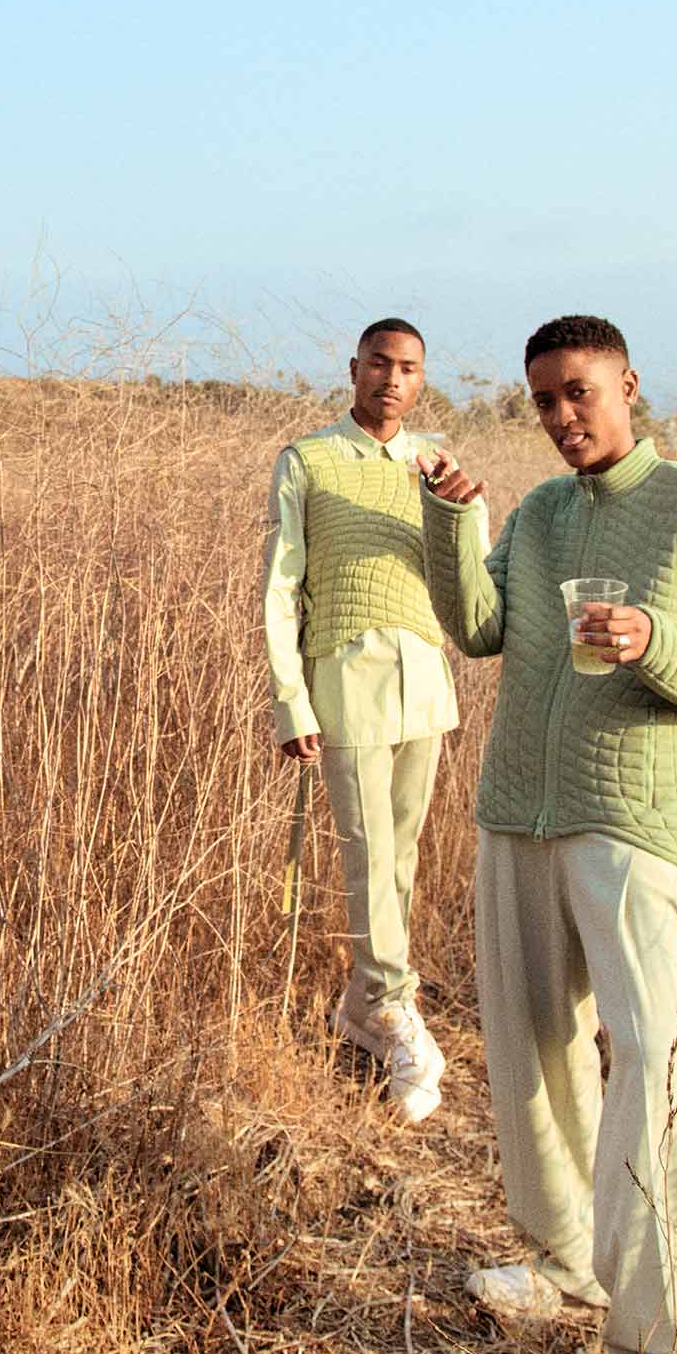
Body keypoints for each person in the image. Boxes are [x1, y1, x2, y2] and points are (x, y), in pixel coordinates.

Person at [421, 316, 677, 1354]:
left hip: (628, 825)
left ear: (627, 383)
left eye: (577, 392)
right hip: (513, 816)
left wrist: (652, 638)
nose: (561, 417)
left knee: (644, 1064)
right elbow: (476, 629)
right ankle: (562, 1263)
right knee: (528, 1058)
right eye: (542, 401)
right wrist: (447, 518)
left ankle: (665, 1342)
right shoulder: (534, 514)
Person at [261, 319, 475, 1121]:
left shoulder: (434, 464)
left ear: (422, 379)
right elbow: (281, 585)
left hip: (424, 678)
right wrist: (290, 697)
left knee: (402, 856)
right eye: (379, 363)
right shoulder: (309, 459)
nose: (392, 378)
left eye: (409, 367)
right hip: (341, 676)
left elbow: (463, 582)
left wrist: (456, 510)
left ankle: (358, 1008)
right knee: (366, 852)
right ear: (353, 369)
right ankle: (393, 1008)